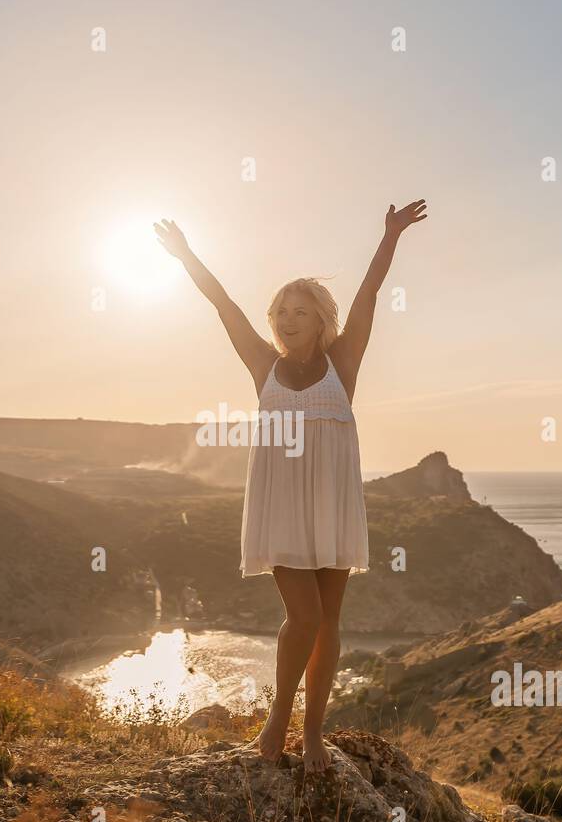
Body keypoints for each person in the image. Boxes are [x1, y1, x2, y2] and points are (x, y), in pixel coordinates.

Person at [155, 200, 428, 772]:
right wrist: (186, 256)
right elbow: (223, 304)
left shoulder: (343, 362)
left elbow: (369, 296)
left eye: (299, 311)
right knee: (302, 617)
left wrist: (390, 237)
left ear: (320, 319)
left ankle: (314, 736)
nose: (285, 318)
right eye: (280, 309)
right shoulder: (262, 364)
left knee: (329, 622)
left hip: (331, 503)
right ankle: (277, 722)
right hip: (281, 507)